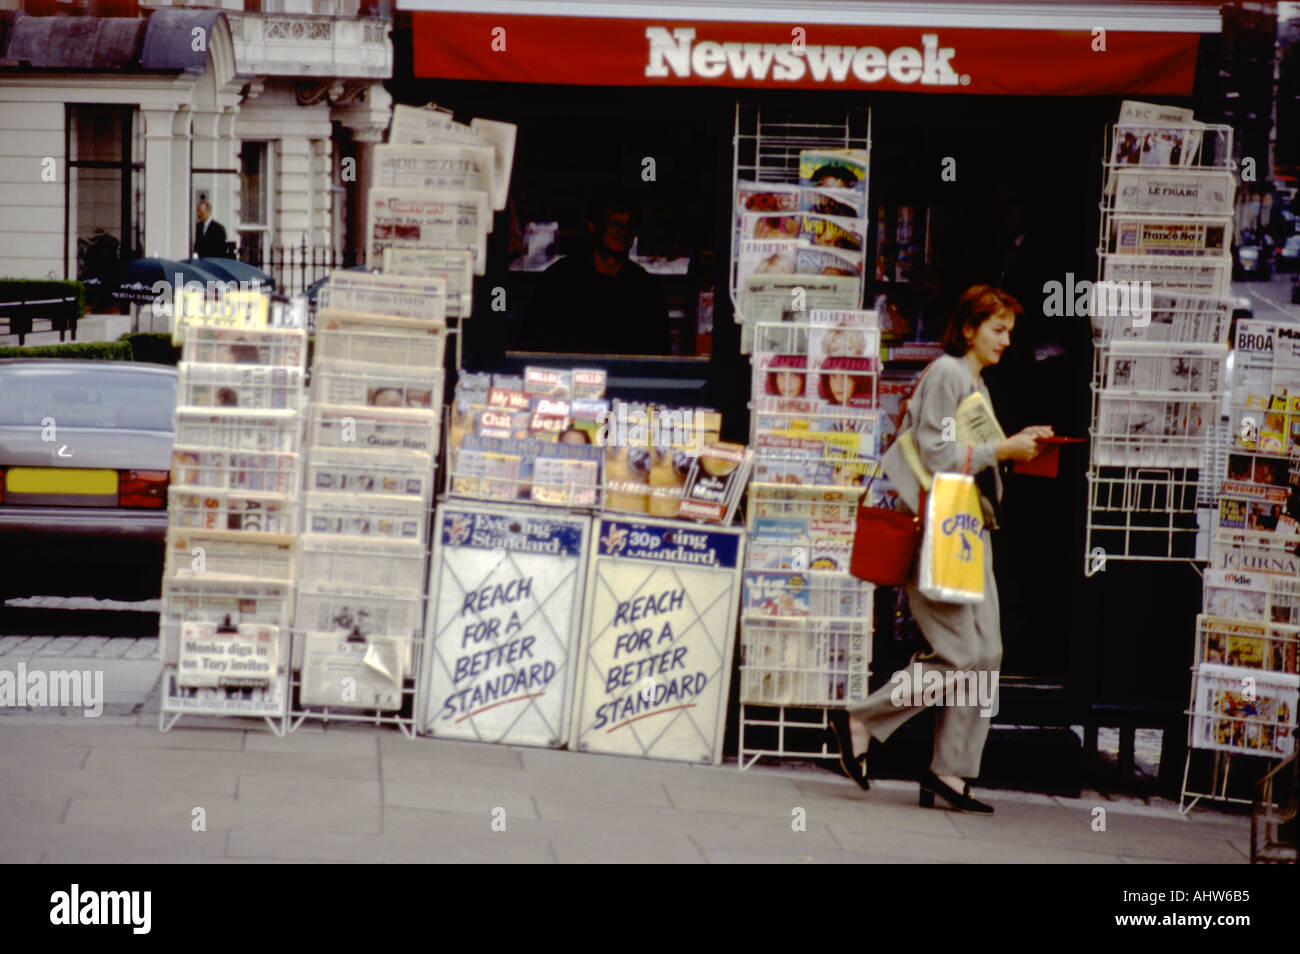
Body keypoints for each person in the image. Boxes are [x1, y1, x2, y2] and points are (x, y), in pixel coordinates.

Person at [827, 286, 1054, 813]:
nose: (1006, 341)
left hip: (967, 532)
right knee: (960, 655)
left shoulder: (971, 380)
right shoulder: (950, 374)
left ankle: (949, 771)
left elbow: (965, 455)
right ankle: (862, 719)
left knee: (986, 655)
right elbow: (937, 453)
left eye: (1010, 333)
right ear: (970, 328)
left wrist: (1021, 446)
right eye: (998, 329)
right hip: (943, 534)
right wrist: (1004, 447)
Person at [517, 190, 672, 355]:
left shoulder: (647, 290)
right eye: (615, 223)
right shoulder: (558, 281)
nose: (623, 231)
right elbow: (533, 346)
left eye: (629, 225)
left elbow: (659, 357)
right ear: (593, 225)